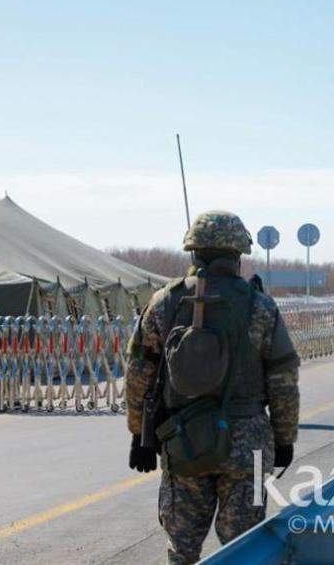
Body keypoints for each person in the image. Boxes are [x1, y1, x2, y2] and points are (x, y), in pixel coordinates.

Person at [125, 211, 300, 565]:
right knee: (245, 547)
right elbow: (283, 380)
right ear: (238, 256)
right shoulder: (261, 307)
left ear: (193, 254)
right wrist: (284, 438)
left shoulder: (165, 301)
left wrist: (138, 434)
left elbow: (139, 372)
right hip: (248, 447)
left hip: (184, 442)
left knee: (182, 549)